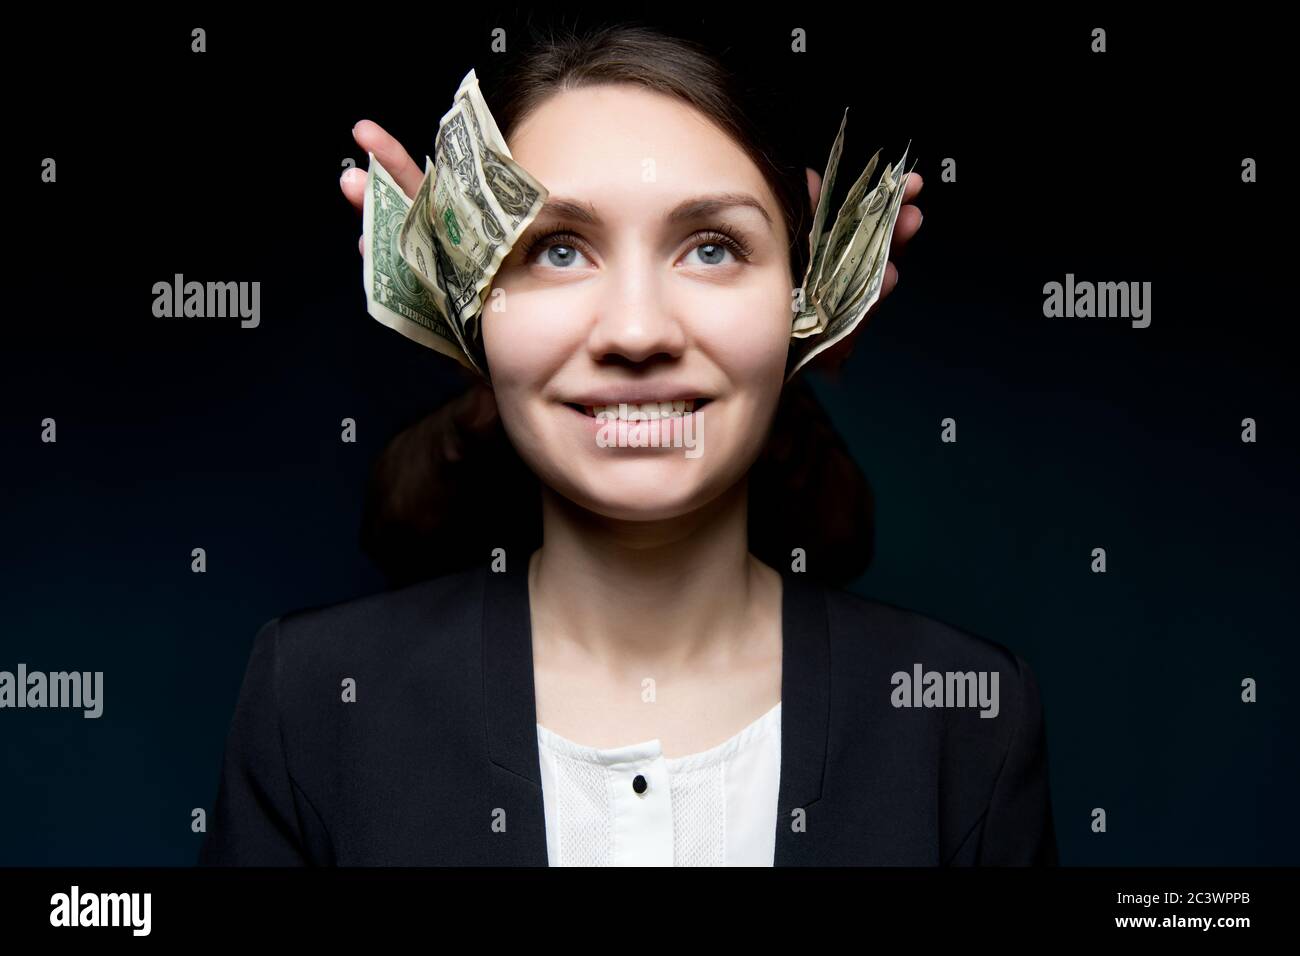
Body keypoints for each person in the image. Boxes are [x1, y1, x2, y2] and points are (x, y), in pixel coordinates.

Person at [199, 22, 1056, 866]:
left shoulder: (967, 722)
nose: (637, 331)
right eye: (558, 251)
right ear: (464, 317)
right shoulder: (309, 699)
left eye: (712, 248)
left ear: (809, 302)